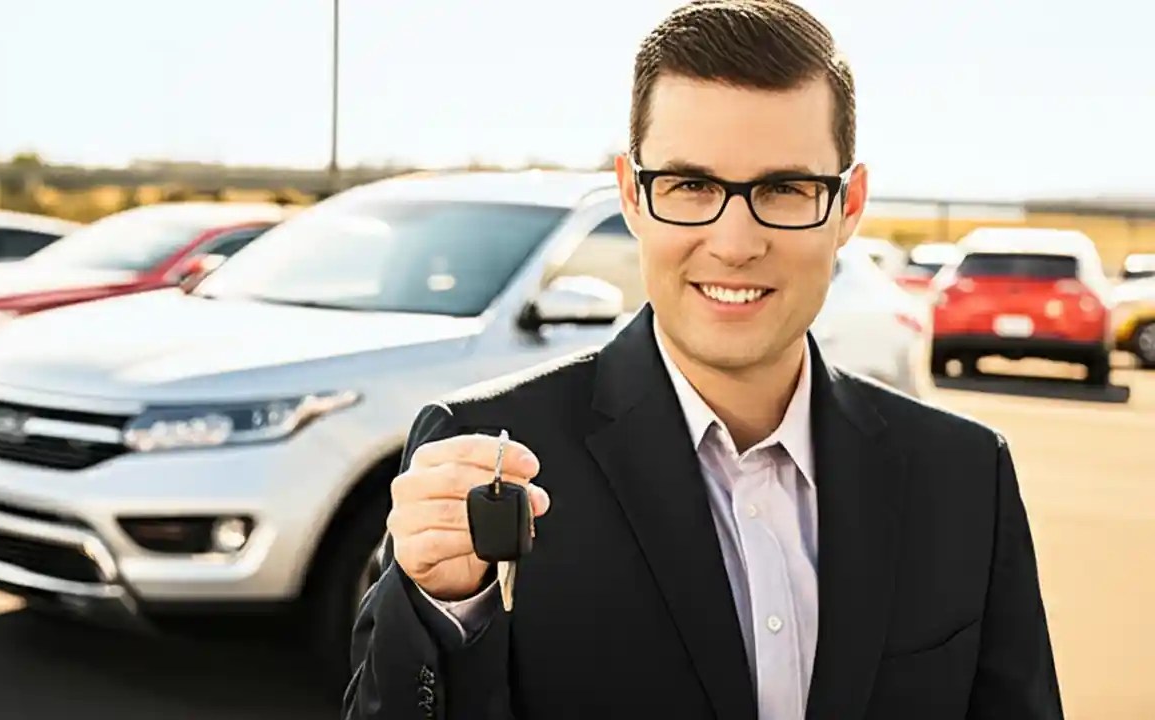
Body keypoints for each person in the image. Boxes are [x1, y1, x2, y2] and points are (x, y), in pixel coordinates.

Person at [343, 1, 1063, 718]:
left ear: (849, 206)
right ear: (632, 195)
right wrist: (441, 609)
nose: (735, 243)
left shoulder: (966, 478)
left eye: (785, 188)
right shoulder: (488, 458)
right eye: (692, 186)